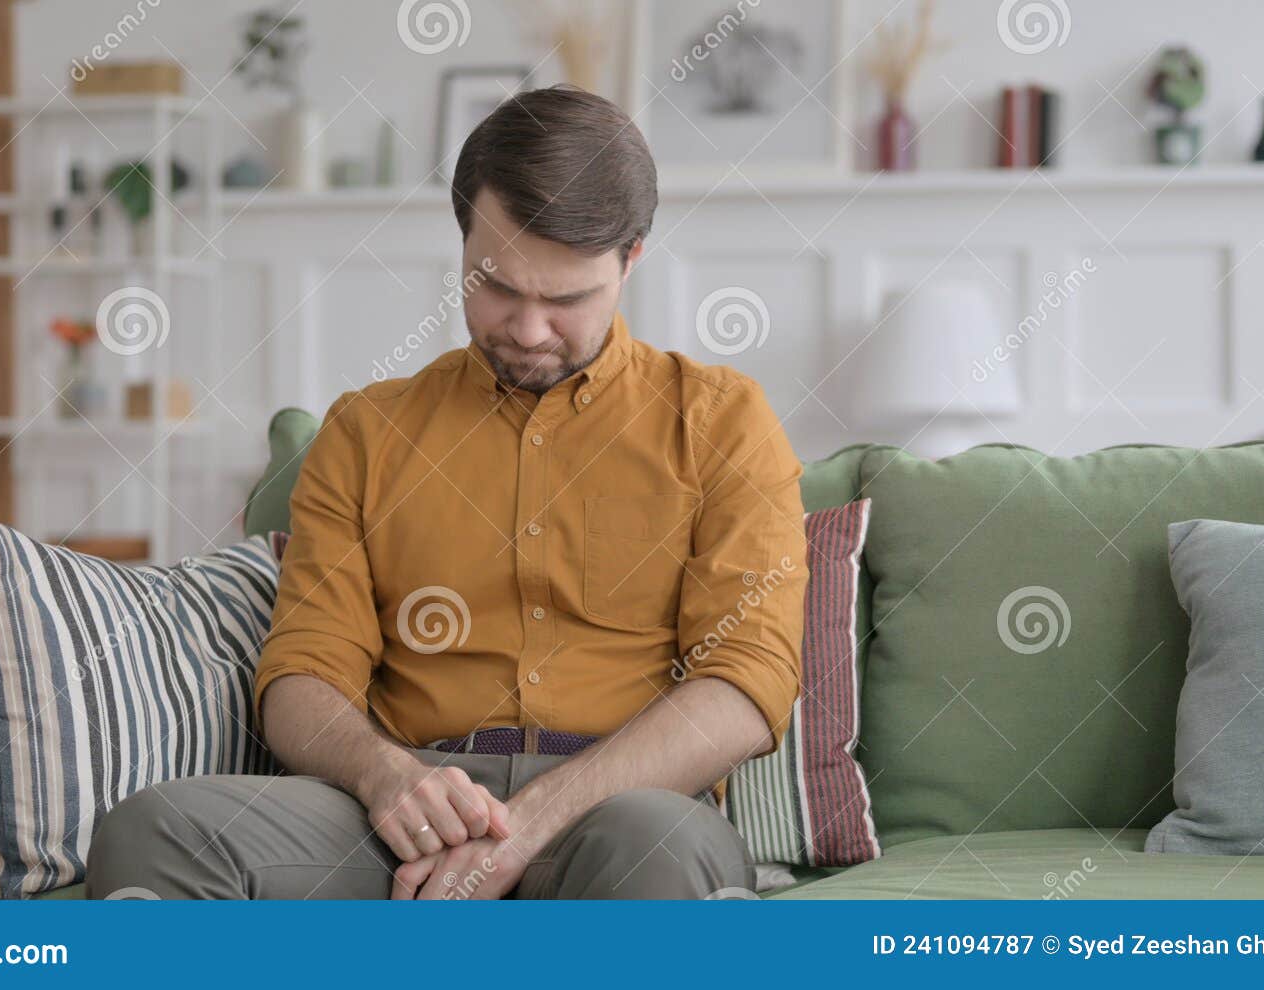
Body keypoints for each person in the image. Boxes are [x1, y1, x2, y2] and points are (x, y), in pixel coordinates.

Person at [86, 85, 807, 900]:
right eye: (496, 287)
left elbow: (747, 681)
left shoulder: (721, 422)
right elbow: (300, 675)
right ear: (463, 241)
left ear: (631, 258)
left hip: (622, 812)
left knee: (655, 847)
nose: (529, 330)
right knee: (158, 831)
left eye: (566, 299)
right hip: (405, 815)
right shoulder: (366, 434)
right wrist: (386, 776)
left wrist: (526, 828)